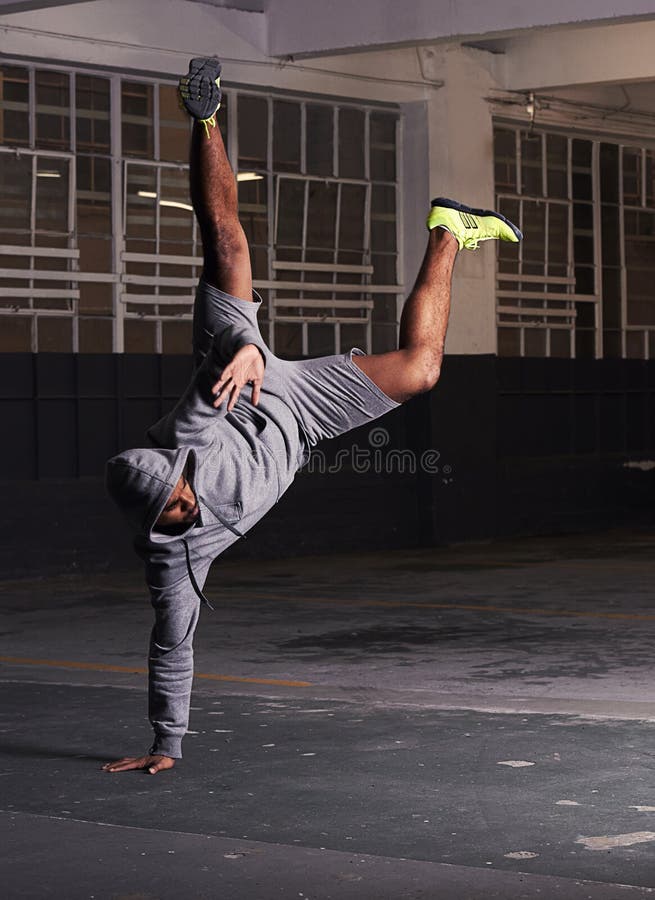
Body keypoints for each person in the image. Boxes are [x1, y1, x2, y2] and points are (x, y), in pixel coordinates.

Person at [102, 57, 522, 775]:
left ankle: (204, 114)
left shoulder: (188, 439)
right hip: (302, 419)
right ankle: (450, 230)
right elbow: (171, 646)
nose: (187, 494)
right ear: (162, 518)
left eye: (180, 482)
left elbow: (220, 380)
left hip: (242, 379)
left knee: (228, 243)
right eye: (178, 502)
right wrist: (164, 743)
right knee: (421, 371)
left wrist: (243, 351)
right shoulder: (175, 564)